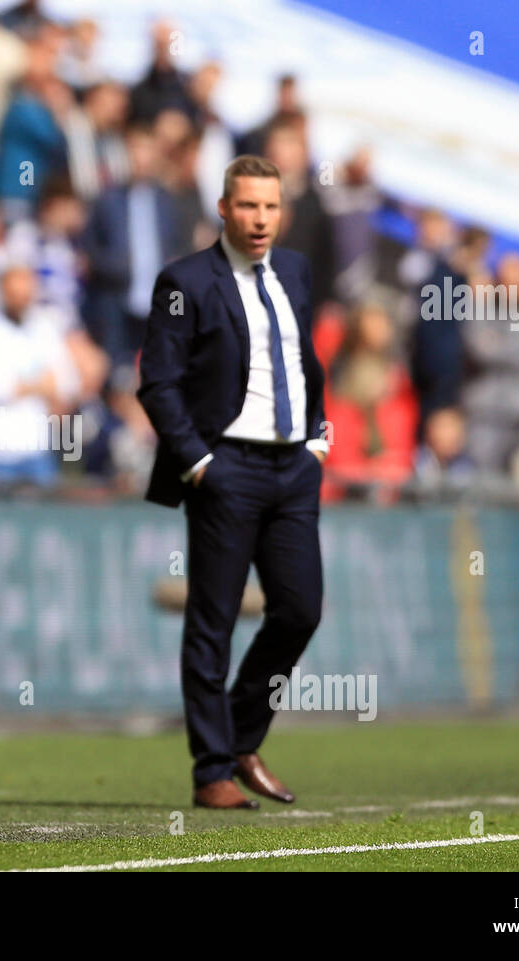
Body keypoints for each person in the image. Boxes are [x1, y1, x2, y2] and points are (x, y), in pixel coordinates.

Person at [138, 155, 327, 810]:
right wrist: (198, 463)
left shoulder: (298, 271)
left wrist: (320, 437)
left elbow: (305, 360)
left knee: (301, 609)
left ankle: (243, 736)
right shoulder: (184, 279)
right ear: (223, 207)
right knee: (212, 620)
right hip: (226, 468)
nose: (260, 219)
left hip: (294, 468)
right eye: (247, 205)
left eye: (271, 207)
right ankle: (212, 768)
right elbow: (157, 382)